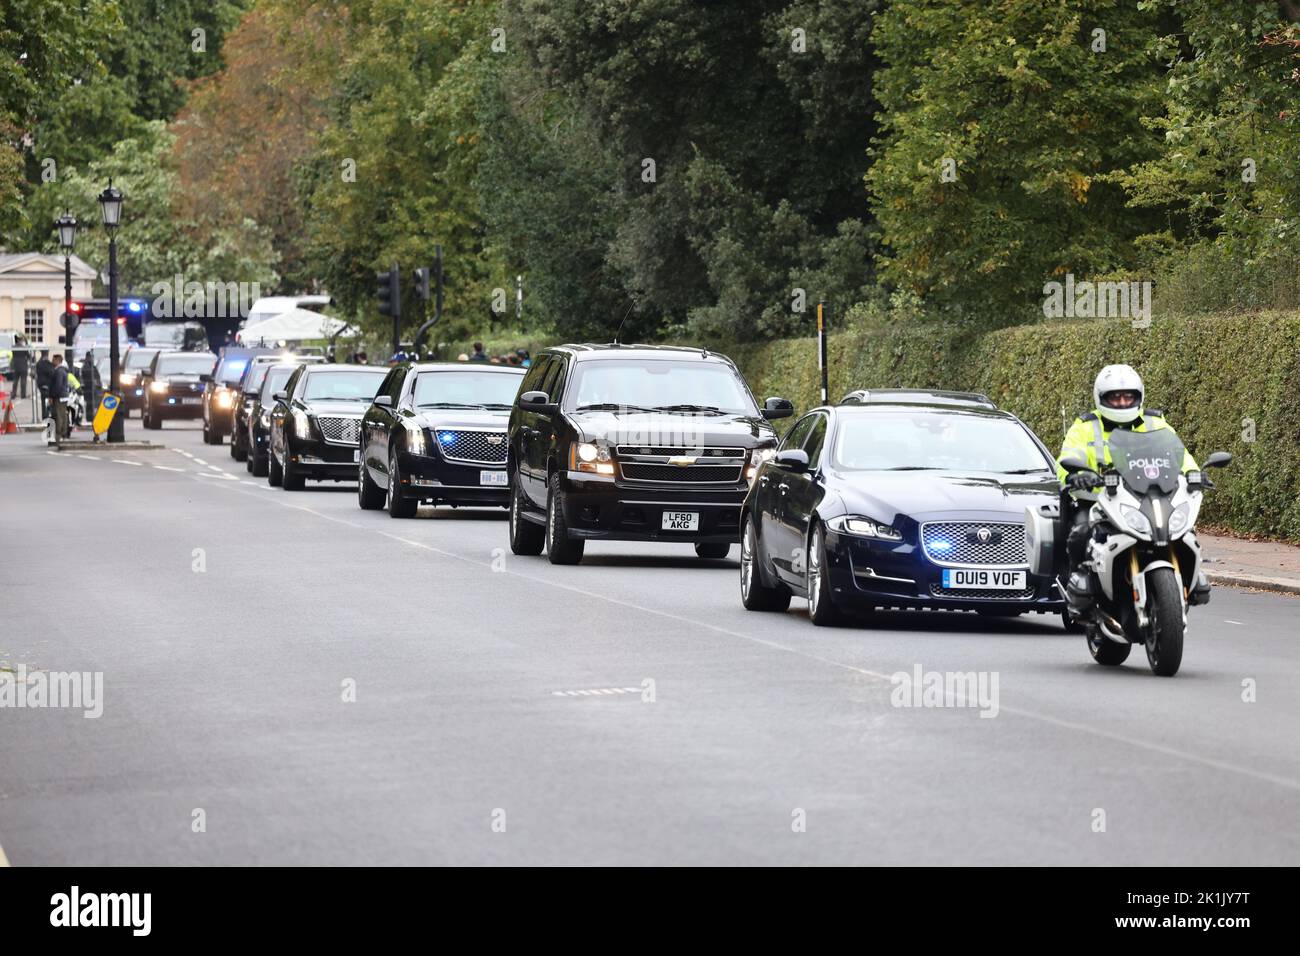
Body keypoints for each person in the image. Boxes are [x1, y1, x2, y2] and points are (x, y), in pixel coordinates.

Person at [1056, 364, 1197, 610]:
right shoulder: (1085, 426)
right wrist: (1076, 474)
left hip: (1146, 496)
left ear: (1138, 396)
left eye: (1128, 396)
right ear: (1102, 398)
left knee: (1185, 531)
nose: (1122, 402)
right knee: (1080, 531)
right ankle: (1080, 584)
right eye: (1115, 397)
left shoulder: (1155, 423)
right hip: (1099, 498)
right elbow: (1067, 457)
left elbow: (1180, 454)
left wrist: (1194, 473)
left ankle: (1190, 583)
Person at [50, 354, 70, 438]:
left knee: (59, 416)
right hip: (62, 396)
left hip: (59, 397)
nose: (52, 361)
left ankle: (59, 435)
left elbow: (57, 385)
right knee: (62, 415)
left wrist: (52, 395)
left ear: (57, 361)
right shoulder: (62, 371)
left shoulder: (59, 372)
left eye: (53, 360)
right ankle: (63, 433)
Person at [35, 350, 54, 418]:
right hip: (48, 384)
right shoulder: (48, 363)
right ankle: (49, 415)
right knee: (50, 400)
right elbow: (51, 373)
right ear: (47, 354)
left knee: (43, 400)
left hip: (41, 384)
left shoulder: (38, 363)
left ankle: (44, 415)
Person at [11, 335, 29, 399]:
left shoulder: (13, 347)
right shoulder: (24, 347)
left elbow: (13, 355)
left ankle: (13, 394)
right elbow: (28, 356)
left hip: (16, 365)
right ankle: (23, 395)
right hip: (23, 366)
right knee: (23, 381)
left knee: (15, 381)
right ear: (20, 340)